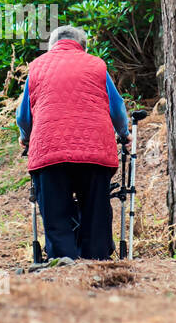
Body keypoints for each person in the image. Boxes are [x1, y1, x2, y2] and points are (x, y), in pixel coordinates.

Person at [16, 25, 129, 260]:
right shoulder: (97, 65)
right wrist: (124, 133)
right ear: (83, 46)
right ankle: (97, 263)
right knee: (95, 211)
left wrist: (25, 137)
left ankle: (62, 263)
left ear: (52, 46)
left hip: (49, 151)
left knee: (56, 215)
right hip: (95, 151)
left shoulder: (37, 67)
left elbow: (23, 115)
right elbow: (116, 107)